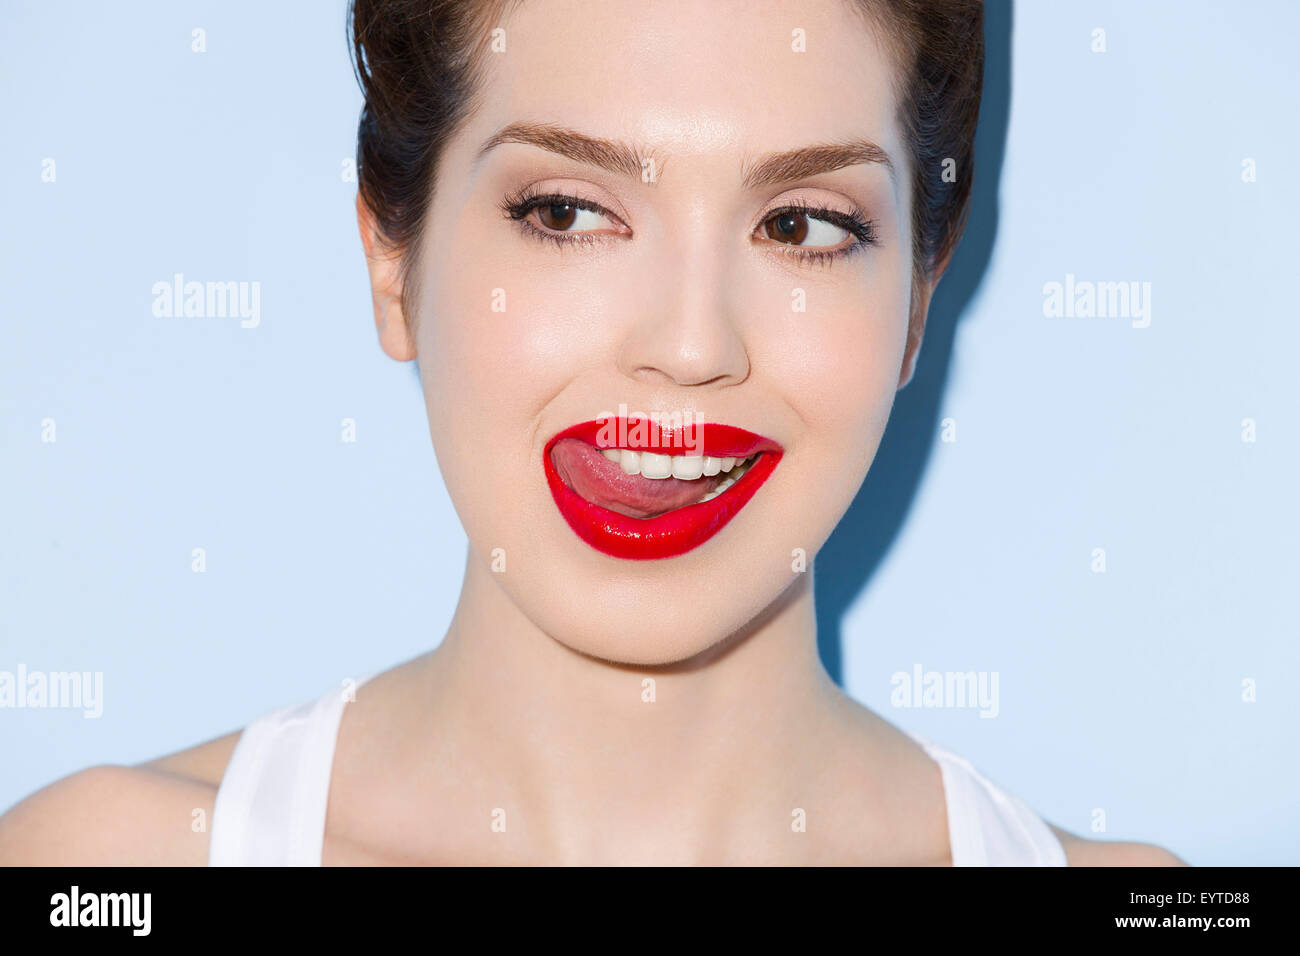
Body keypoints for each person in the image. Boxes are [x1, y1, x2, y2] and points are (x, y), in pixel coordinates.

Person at [0, 0, 1185, 866]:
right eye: (566, 211)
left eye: (802, 224)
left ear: (919, 295)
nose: (685, 341)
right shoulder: (99, 871)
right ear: (389, 253)